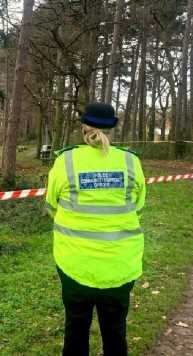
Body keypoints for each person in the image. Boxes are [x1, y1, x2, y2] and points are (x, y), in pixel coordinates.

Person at [45, 103, 146, 356]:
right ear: (113, 128)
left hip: (75, 266)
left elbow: (51, 206)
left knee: (76, 331)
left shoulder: (65, 161)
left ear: (83, 127)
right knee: (115, 332)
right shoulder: (131, 162)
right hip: (120, 267)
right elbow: (138, 206)